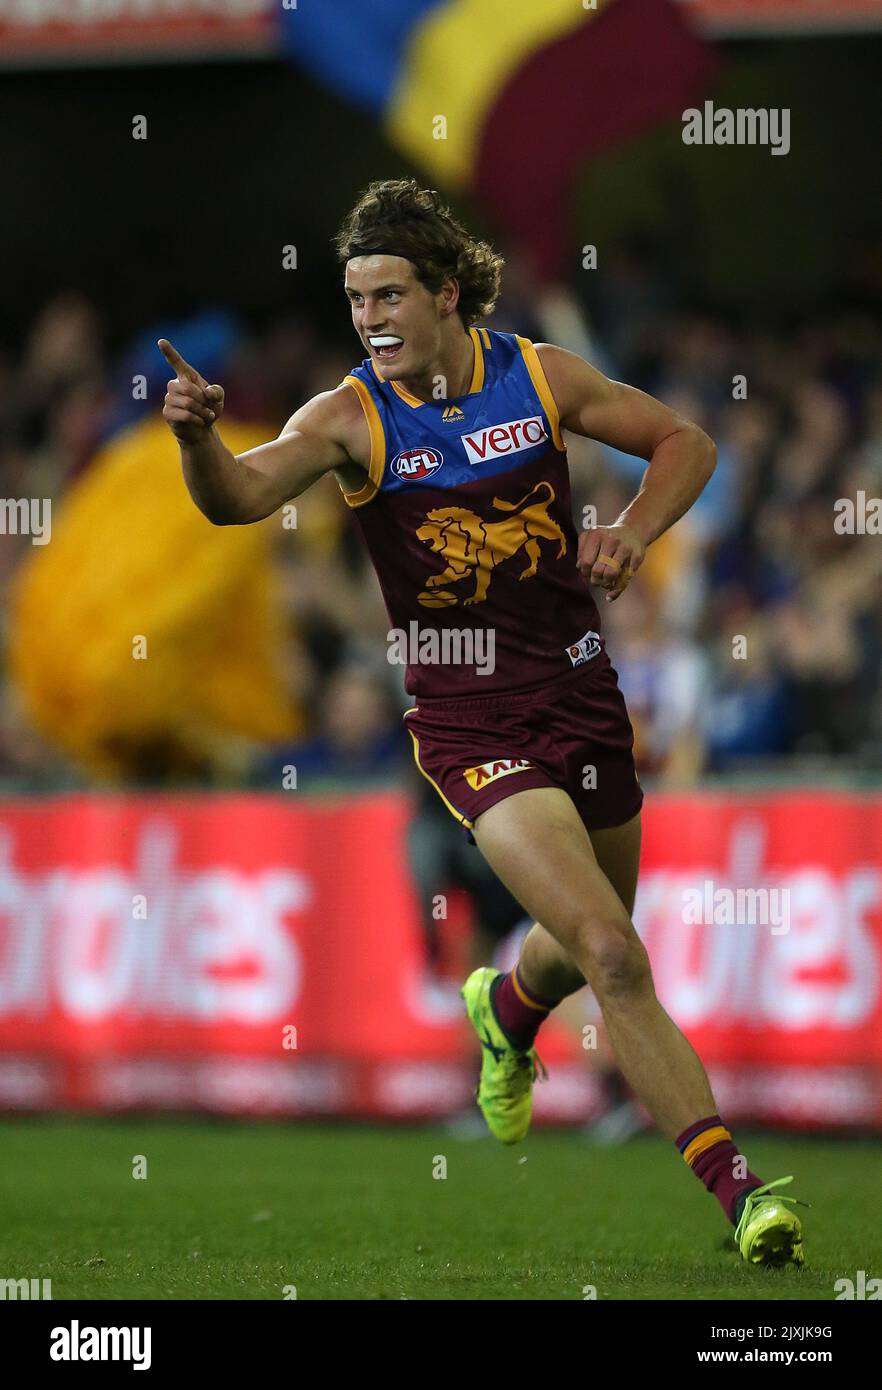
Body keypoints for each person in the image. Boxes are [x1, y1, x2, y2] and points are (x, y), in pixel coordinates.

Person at [159, 177, 805, 1267]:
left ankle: (505, 1008)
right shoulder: (350, 417)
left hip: (585, 693)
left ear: (446, 293)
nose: (369, 320)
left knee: (577, 941)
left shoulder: (541, 376)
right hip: (469, 717)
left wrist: (636, 530)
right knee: (617, 954)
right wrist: (197, 443)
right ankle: (743, 1195)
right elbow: (238, 498)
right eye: (355, 300)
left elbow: (687, 440)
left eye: (388, 296)